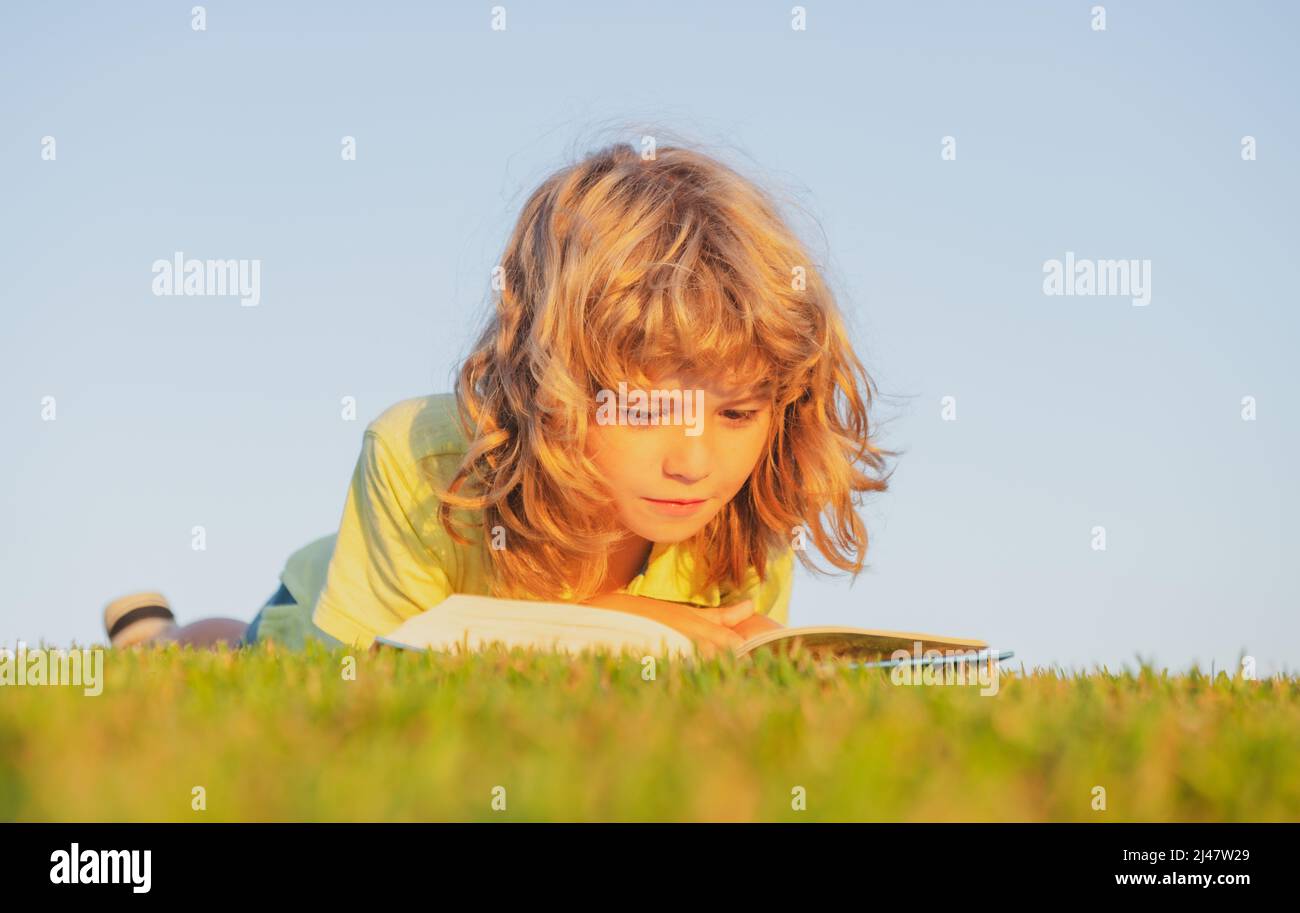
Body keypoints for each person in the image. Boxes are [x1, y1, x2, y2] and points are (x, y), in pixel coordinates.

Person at [104, 141, 894, 658]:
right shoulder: (419, 459)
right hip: (319, 613)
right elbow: (377, 673)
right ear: (550, 384)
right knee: (228, 653)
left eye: (736, 413)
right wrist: (631, 622)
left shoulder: (749, 504)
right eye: (644, 409)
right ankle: (153, 638)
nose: (694, 460)